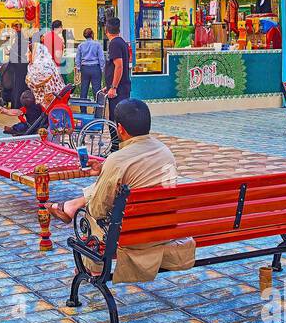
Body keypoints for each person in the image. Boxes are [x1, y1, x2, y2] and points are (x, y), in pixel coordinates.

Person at [48, 99, 195, 282]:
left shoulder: (117, 160)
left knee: (88, 215)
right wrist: (105, 170)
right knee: (115, 191)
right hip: (163, 229)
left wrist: (106, 175)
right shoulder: (164, 151)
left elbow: (98, 210)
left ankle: (92, 268)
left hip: (131, 237)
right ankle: (71, 205)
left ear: (120, 128)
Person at [104, 17, 132, 151]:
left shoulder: (114, 44)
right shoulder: (122, 42)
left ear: (106, 30)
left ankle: (116, 148)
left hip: (118, 90)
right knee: (119, 118)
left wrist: (113, 87)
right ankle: (120, 147)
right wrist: (109, 84)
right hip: (122, 87)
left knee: (115, 120)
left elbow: (119, 66)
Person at [26, 40, 66, 110]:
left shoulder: (41, 67)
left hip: (47, 103)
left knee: (25, 98)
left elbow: (31, 82)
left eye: (29, 52)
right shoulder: (47, 62)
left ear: (35, 53)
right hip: (55, 98)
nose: (26, 54)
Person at [76, 28, 105, 99]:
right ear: (92, 34)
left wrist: (79, 68)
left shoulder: (80, 45)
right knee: (97, 90)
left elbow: (77, 59)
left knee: (84, 89)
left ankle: (83, 109)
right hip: (95, 68)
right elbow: (101, 58)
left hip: (84, 68)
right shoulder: (97, 44)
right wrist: (102, 68)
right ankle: (97, 109)